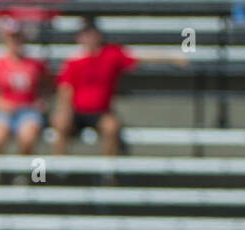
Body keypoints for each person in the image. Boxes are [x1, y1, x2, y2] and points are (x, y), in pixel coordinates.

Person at [51, 17, 186, 159]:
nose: (89, 38)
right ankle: (59, 167)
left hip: (101, 112)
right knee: (60, 122)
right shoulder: (74, 61)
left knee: (111, 126)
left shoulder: (111, 55)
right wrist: (64, 110)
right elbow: (65, 88)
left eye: (91, 34)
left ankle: (107, 171)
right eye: (85, 35)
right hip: (76, 112)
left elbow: (142, 57)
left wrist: (172, 57)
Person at [0, 18, 47, 181]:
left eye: (17, 38)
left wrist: (42, 101)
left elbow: (48, 85)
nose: (15, 42)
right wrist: (0, 103)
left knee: (28, 137)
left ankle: (28, 173)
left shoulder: (35, 63)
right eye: (11, 38)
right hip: (5, 111)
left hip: (28, 110)